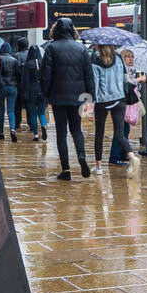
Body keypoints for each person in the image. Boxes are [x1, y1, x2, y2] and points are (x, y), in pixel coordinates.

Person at [40, 17, 94, 181]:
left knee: (61, 133)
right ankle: (82, 156)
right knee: (76, 130)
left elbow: (45, 76)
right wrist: (90, 100)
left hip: (58, 97)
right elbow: (89, 77)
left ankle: (66, 170)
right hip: (78, 97)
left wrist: (46, 95)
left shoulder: (51, 48)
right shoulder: (82, 49)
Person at [90, 44, 130, 167]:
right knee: (120, 134)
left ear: (99, 47)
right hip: (119, 100)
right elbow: (125, 79)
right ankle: (132, 157)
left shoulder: (95, 61)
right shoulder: (119, 58)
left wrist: (91, 105)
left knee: (99, 134)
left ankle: (99, 167)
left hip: (102, 102)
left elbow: (95, 85)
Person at [109, 48, 144, 164]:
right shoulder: (121, 70)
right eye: (128, 57)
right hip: (121, 103)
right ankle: (115, 157)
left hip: (129, 103)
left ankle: (123, 155)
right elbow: (126, 84)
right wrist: (138, 80)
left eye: (132, 57)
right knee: (120, 131)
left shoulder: (133, 70)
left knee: (126, 130)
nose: (131, 59)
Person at [20, 42, 47, 141]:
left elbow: (25, 80)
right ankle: (43, 125)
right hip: (42, 90)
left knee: (32, 114)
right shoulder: (43, 63)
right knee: (42, 113)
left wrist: (24, 93)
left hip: (31, 91)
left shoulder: (27, 65)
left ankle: (36, 134)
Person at [0, 42, 20, 142]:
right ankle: (12, 130)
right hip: (13, 88)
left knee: (1, 110)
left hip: (1, 87)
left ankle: (1, 132)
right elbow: (19, 75)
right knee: (11, 110)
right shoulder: (15, 61)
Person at [12, 37, 30, 132]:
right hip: (29, 84)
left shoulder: (15, 56)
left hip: (18, 84)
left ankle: (17, 123)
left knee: (17, 105)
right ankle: (31, 124)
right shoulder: (31, 54)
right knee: (29, 105)